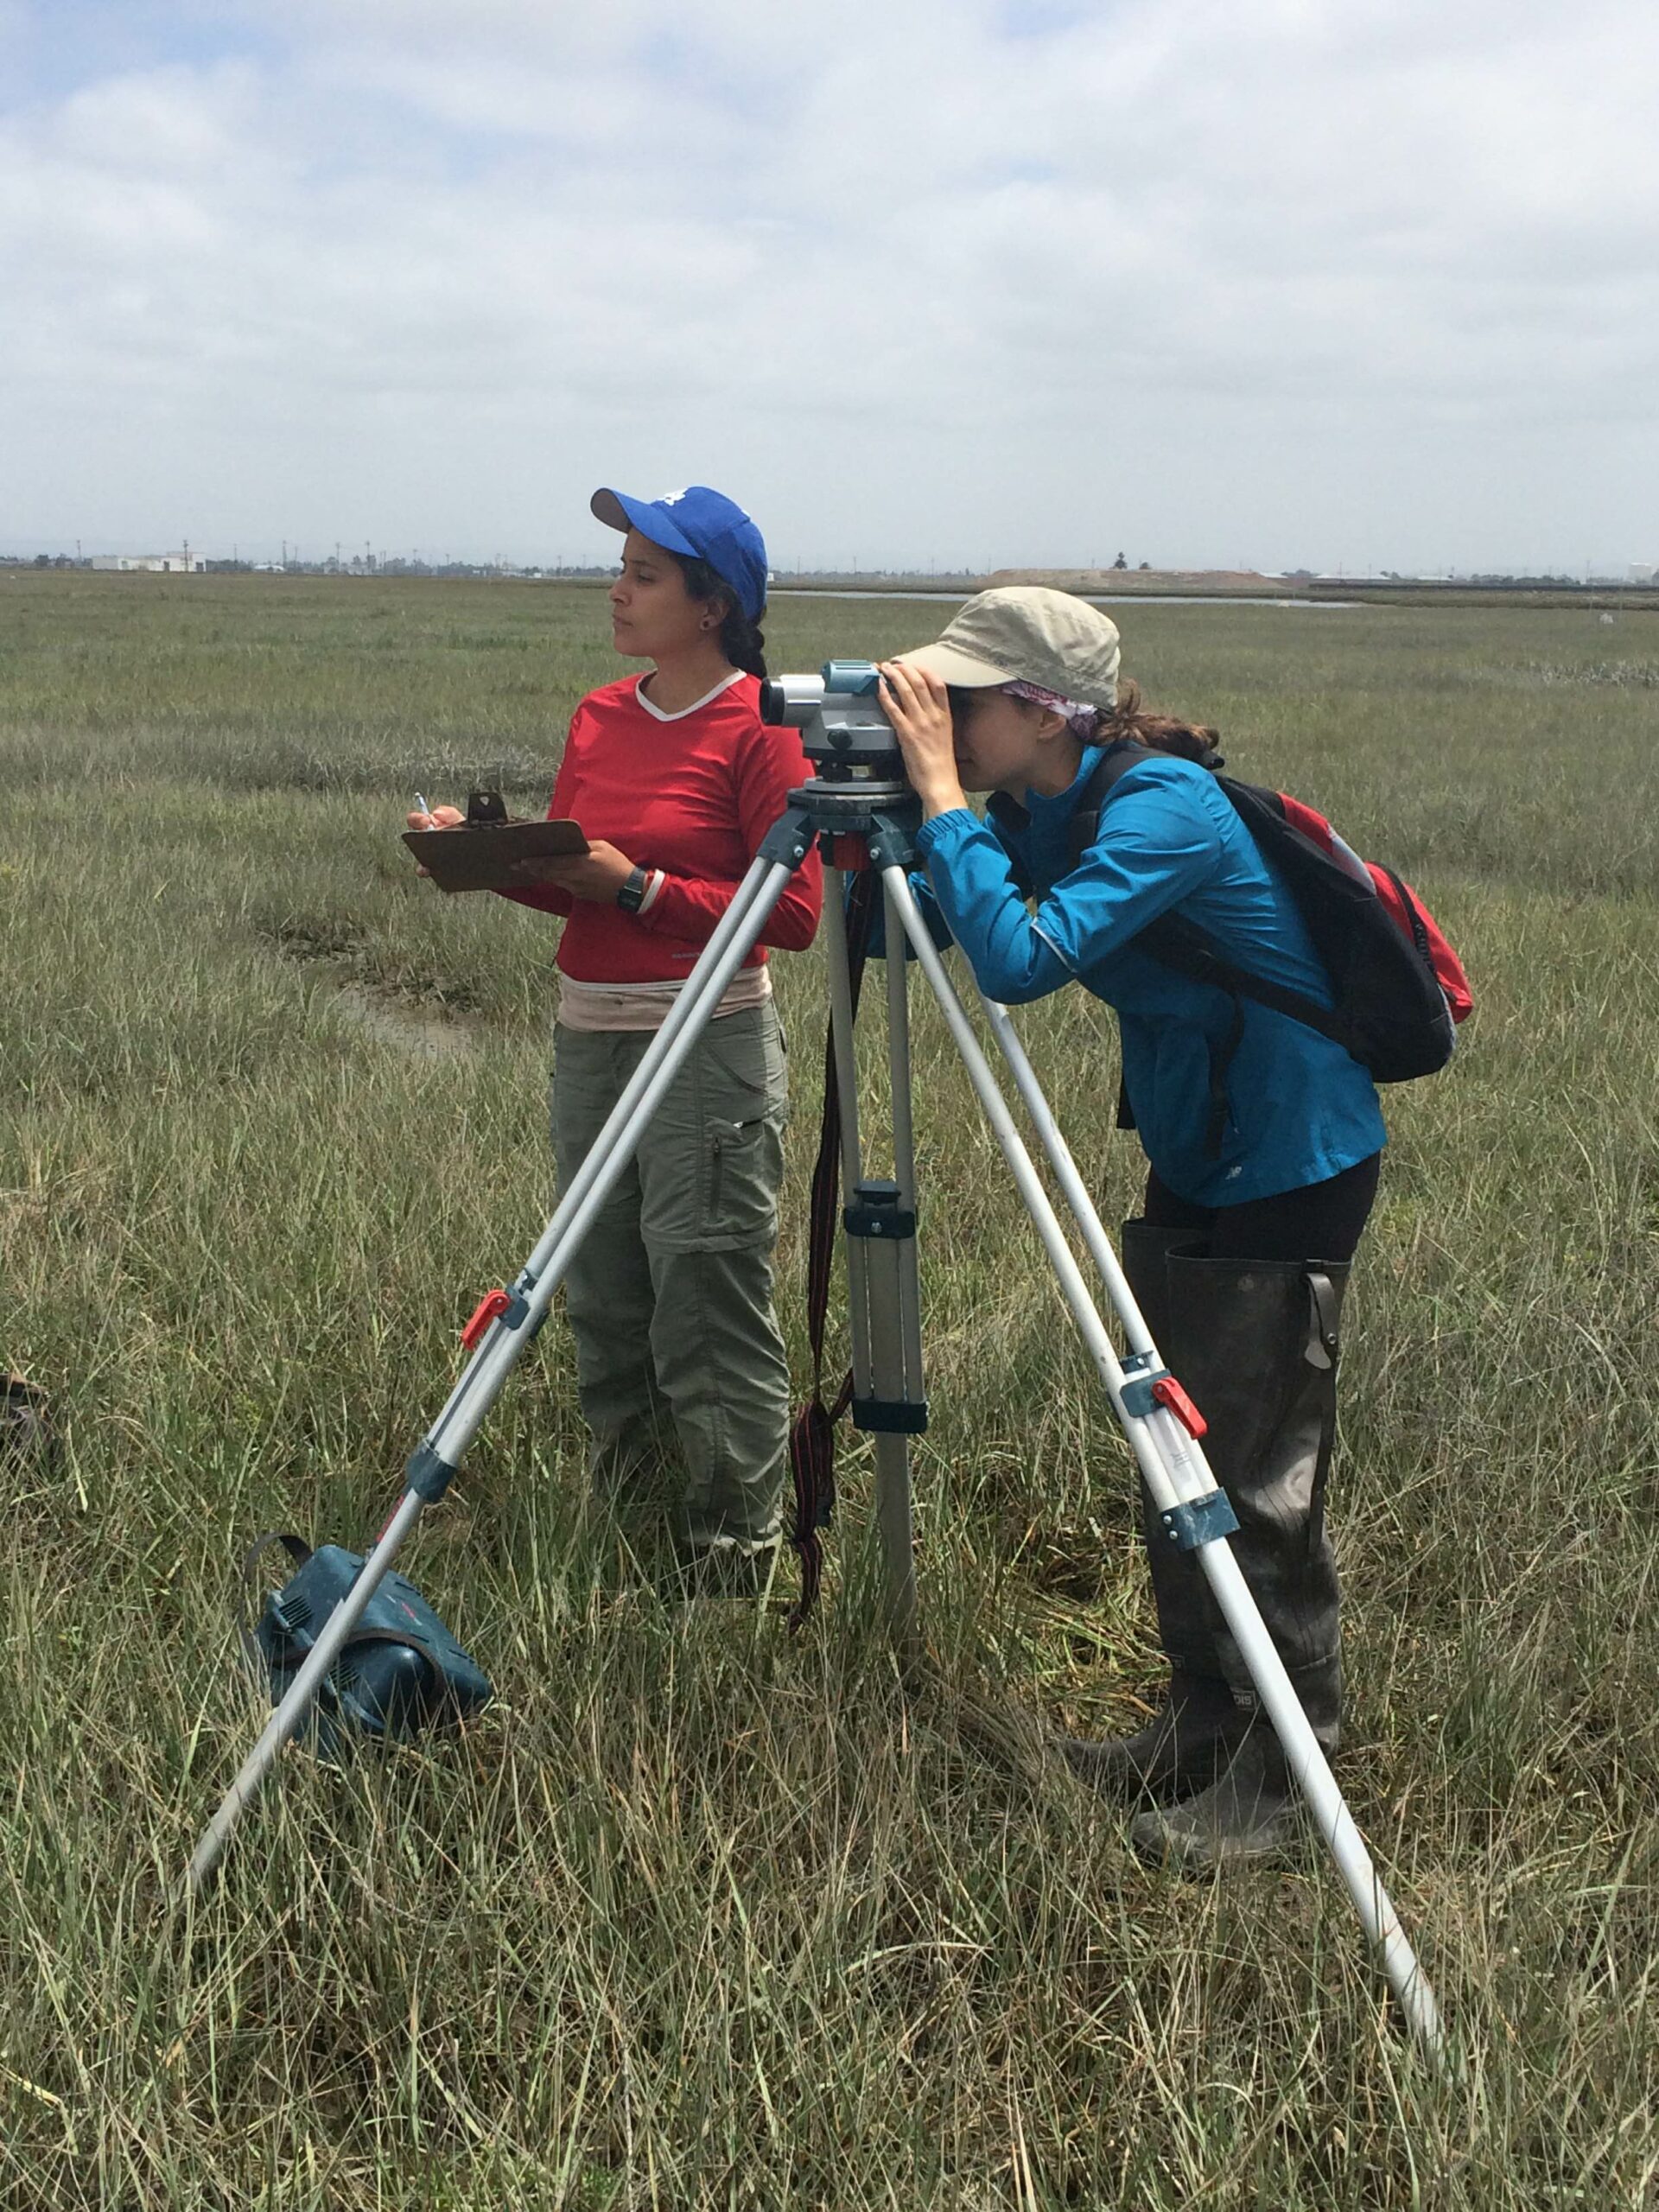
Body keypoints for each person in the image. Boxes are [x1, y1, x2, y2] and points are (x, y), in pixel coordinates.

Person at [874, 587, 1387, 1869]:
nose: (942, 720)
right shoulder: (1045, 807)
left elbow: (1021, 957)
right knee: (1177, 1450)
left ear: (1044, 713)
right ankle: (1204, 1717)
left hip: (1289, 1155)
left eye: (965, 702)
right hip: (1200, 1148)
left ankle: (1289, 1770)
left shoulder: (1164, 810)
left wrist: (939, 802)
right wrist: (895, 825)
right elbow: (932, 928)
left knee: (1256, 1474)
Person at [412, 486, 822, 1587]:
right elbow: (576, 890)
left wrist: (637, 886)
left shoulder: (763, 725)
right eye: (622, 566)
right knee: (602, 1287)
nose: (618, 588)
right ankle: (632, 1514)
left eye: (645, 573)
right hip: (589, 1037)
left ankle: (733, 1546)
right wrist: (492, 863)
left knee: (705, 1287)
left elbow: (791, 916)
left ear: (712, 605)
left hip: (708, 1045)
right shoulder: (599, 716)